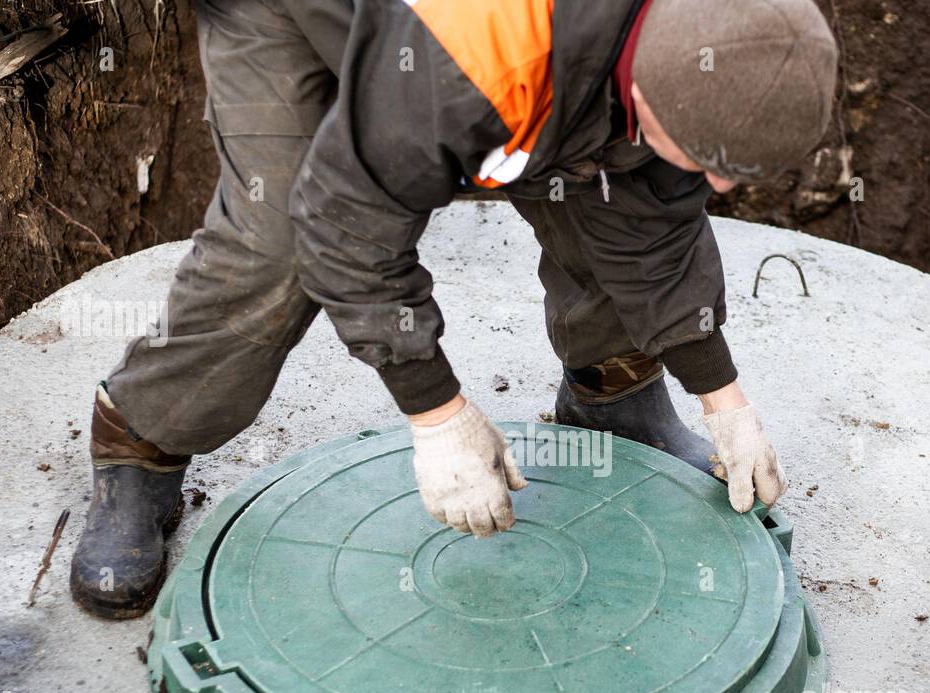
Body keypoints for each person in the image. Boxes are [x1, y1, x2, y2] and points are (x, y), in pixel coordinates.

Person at [70, 0, 839, 618]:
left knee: (610, 173)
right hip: (301, 19)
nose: (724, 188)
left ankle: (615, 391)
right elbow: (347, 225)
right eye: (710, 161)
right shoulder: (485, 50)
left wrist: (721, 393)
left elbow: (653, 217)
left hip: (522, 58)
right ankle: (141, 439)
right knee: (276, 249)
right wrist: (437, 415)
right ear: (643, 83)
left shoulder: (724, 31)